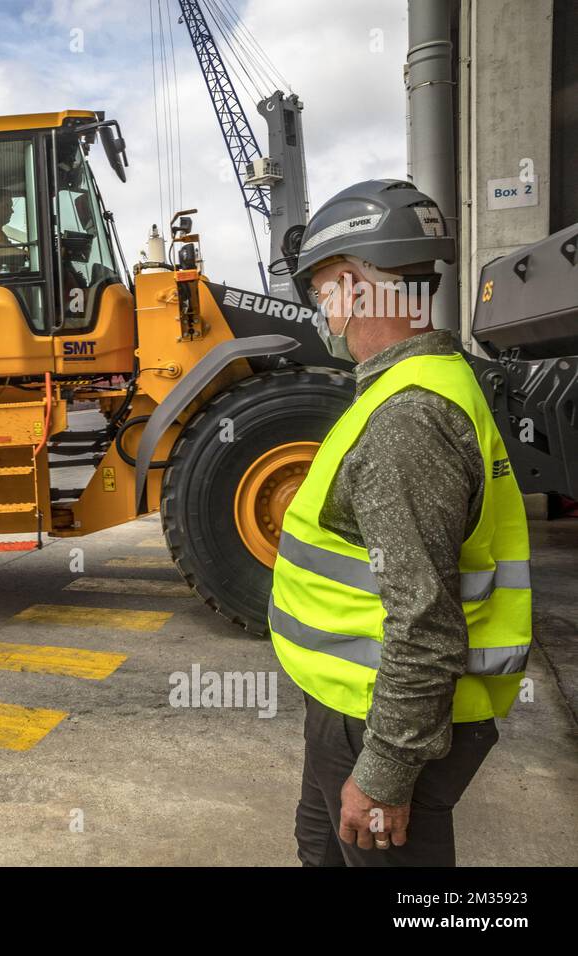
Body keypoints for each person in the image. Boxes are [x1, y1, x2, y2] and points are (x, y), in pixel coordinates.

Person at [270, 178, 532, 866]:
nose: (323, 311)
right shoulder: (413, 387)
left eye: (323, 291)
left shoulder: (408, 417)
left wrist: (385, 773)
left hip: (379, 723)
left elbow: (423, 620)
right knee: (319, 848)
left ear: (356, 288)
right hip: (350, 707)